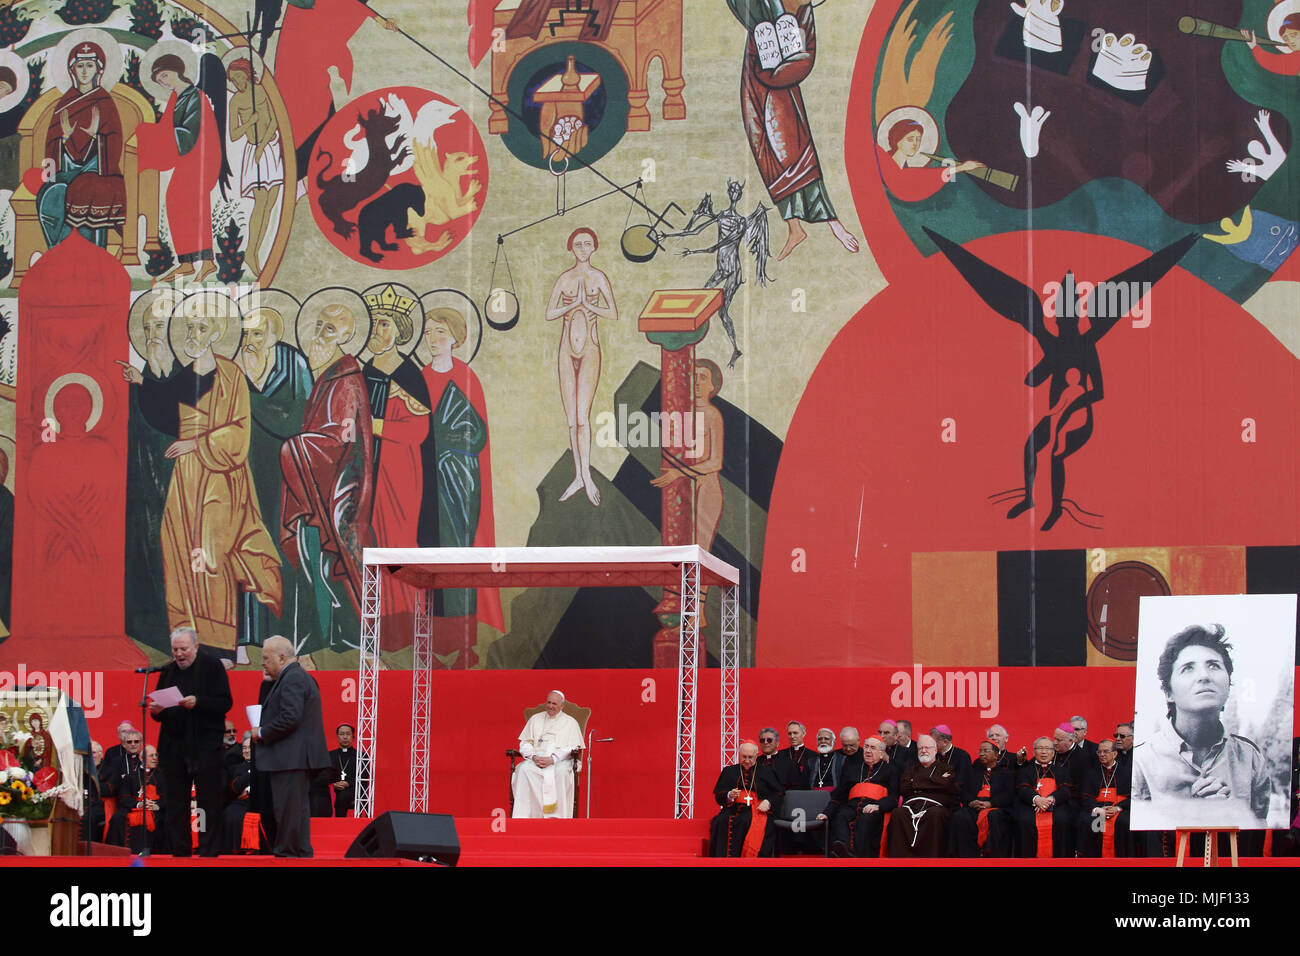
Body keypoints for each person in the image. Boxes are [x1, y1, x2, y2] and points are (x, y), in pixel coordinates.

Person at [119, 297, 283, 654]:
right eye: (190, 327)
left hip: (220, 478)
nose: (193, 334)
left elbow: (240, 433)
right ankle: (186, 638)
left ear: (217, 333)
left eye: (202, 328)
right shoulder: (184, 376)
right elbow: (164, 410)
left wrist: (196, 444)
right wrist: (141, 383)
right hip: (186, 479)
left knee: (211, 553)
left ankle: (221, 644)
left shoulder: (231, 375)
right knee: (175, 546)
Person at [726, 0, 858, 261]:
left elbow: (805, 57)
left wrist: (774, 72)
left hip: (779, 93)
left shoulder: (802, 12)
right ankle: (794, 228)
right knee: (769, 160)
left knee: (795, 153)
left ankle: (834, 224)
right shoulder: (762, 7)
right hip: (756, 89)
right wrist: (766, 68)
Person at [280, 302, 375, 652]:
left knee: (331, 564)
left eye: (329, 330)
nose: (318, 335)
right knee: (315, 565)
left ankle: (347, 637)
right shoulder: (326, 375)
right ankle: (322, 637)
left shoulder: (345, 380)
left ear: (346, 337)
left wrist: (296, 448)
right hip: (315, 484)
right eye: (318, 326)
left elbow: (340, 439)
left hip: (336, 489)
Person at [418, 306, 504, 666]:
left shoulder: (466, 377)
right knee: (429, 559)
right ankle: (434, 644)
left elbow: (476, 434)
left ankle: (465, 644)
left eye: (440, 331)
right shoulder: (419, 378)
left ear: (454, 337)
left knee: (458, 557)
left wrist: (441, 435)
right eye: (428, 332)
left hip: (458, 482)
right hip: (427, 481)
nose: (433, 339)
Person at [1132, 623, 1271, 829]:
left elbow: (1260, 832)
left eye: (1214, 665)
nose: (1204, 676)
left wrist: (1230, 815)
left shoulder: (1250, 758)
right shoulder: (1141, 762)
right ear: (1168, 693)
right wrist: (1193, 813)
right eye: (1188, 668)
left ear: (1228, 685)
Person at [235, 306, 314, 653]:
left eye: (257, 333)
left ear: (273, 334)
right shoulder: (235, 366)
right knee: (246, 548)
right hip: (245, 469)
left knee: (283, 548)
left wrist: (252, 395)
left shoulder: (293, 364)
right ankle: (247, 634)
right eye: (246, 334)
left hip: (283, 473)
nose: (250, 341)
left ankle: (285, 636)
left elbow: (300, 416)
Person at [547, 227, 617, 507]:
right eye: (578, 244)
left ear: (594, 247)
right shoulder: (565, 278)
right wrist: (572, 305)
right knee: (571, 420)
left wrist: (589, 305)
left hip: (589, 347)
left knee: (582, 417)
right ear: (571, 248)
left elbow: (612, 311)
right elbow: (549, 312)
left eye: (588, 244)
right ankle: (578, 475)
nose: (583, 248)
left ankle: (586, 476)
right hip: (566, 350)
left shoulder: (598, 277)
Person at [135, 54, 221, 282]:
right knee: (175, 201)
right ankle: (187, 262)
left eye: (164, 75)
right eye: (158, 79)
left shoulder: (195, 97)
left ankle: (207, 262)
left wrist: (149, 134)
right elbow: (167, 128)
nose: (162, 81)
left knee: (195, 205)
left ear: (177, 72)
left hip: (200, 160)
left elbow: (188, 133)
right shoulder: (177, 98)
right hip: (186, 161)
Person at [150, 626, 232, 856]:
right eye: (175, 649)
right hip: (173, 747)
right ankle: (180, 851)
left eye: (183, 649)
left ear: (196, 646)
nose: (179, 654)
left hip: (205, 746)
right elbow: (159, 709)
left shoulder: (212, 667)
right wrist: (156, 711)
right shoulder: (167, 671)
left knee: (208, 802)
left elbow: (225, 703)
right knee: (176, 804)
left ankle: (208, 851)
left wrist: (198, 702)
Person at [36, 42, 126, 249]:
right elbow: (51, 142)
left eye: (89, 65)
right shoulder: (65, 103)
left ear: (99, 69)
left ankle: (90, 255)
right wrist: (65, 139)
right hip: (65, 170)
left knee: (85, 190)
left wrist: (95, 137)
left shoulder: (104, 101)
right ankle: (60, 251)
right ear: (72, 70)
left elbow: (114, 141)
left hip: (96, 169)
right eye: (80, 66)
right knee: (50, 194)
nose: (85, 71)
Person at [253, 635, 330, 857]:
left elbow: (290, 717)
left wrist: (262, 732)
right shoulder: (293, 677)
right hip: (293, 757)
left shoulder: (293, 678)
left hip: (291, 757)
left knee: (288, 811)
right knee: (294, 810)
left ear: (281, 657)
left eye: (266, 658)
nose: (262, 663)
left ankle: (288, 854)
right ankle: (299, 852)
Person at [225, 58, 283, 276]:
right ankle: (250, 252)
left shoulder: (262, 91)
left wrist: (265, 144)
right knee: (260, 202)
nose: (237, 82)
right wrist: (250, 122)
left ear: (247, 74)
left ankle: (255, 251)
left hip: (272, 147)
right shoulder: (236, 101)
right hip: (254, 152)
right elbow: (233, 133)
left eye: (239, 76)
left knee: (270, 204)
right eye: (233, 79)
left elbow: (276, 119)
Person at [512, 690, 584, 818]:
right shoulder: (535, 719)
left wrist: (553, 759)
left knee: (562, 772)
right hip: (536, 760)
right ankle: (525, 816)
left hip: (560, 761)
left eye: (554, 704)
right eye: (549, 702)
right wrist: (534, 757)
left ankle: (558, 817)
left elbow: (573, 747)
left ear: (562, 706)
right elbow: (525, 743)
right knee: (523, 769)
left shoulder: (570, 722)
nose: (550, 706)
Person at [822, 736, 897, 857]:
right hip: (851, 806)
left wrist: (878, 806)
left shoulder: (890, 770)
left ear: (881, 754)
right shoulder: (852, 768)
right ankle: (843, 848)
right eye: (866, 747)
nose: (867, 751)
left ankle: (858, 856)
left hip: (875, 807)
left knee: (866, 819)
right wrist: (827, 812)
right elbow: (839, 794)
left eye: (872, 748)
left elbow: (894, 797)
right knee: (841, 815)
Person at [887, 734, 961, 857]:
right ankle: (900, 861)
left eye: (927, 747)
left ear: (935, 750)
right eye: (920, 748)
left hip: (936, 806)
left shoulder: (946, 768)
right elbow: (904, 788)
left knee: (935, 815)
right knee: (897, 813)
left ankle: (931, 860)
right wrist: (935, 781)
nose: (923, 751)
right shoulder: (910, 769)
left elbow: (947, 785)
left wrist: (915, 783)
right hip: (912, 805)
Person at [709, 741, 783, 857]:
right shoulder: (729, 771)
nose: (747, 760)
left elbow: (779, 793)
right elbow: (718, 795)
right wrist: (729, 795)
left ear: (756, 755)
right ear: (739, 754)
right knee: (721, 821)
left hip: (758, 809)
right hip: (732, 808)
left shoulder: (767, 771)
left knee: (747, 820)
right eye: (744, 757)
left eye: (750, 757)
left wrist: (768, 802)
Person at [951, 740, 1015, 857]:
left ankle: (992, 854)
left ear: (996, 755)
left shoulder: (1006, 774)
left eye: (986, 751)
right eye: (980, 751)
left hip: (995, 807)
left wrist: (991, 803)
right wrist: (971, 802)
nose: (981, 754)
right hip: (974, 806)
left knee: (993, 817)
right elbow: (963, 792)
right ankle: (966, 855)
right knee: (959, 816)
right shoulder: (973, 773)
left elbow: (1009, 795)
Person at [1015, 736, 1075, 858]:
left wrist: (1050, 800)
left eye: (1047, 748)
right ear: (1034, 751)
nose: (1043, 752)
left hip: (1055, 805)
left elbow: (1066, 790)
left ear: (1053, 752)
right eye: (1040, 748)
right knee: (1024, 821)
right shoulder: (1025, 770)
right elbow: (1022, 789)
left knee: (1062, 820)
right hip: (1031, 805)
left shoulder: (1061, 771)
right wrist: (1037, 799)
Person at [1077, 738, 1131, 857]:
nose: (1101, 755)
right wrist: (1097, 809)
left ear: (1115, 753)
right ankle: (1095, 860)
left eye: (1105, 751)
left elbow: (1133, 797)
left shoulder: (1127, 772)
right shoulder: (1091, 773)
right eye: (1099, 752)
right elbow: (1085, 797)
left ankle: (1121, 860)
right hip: (1098, 808)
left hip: (1120, 810)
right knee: (1092, 821)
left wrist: (1117, 808)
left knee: (1123, 822)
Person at [776, 720, 816, 790]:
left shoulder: (814, 756)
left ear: (803, 734)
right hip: (785, 794)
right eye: (789, 733)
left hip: (807, 793)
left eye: (795, 733)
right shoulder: (779, 755)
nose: (792, 736)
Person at [931, 724, 972, 790]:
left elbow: (961, 782)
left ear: (945, 742)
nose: (931, 744)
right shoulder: (933, 755)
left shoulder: (962, 756)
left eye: (933, 742)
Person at [329, 723, 357, 816]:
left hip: (352, 788)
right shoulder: (329, 755)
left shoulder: (361, 756)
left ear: (353, 736)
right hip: (332, 788)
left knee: (342, 796)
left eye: (348, 734)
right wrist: (333, 784)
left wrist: (347, 783)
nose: (345, 737)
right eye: (342, 734)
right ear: (337, 737)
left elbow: (364, 779)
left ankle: (338, 824)